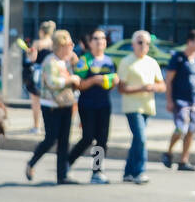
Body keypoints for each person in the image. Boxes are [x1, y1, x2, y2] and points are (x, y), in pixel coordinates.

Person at [25, 30, 81, 184]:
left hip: (66, 104)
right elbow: (52, 82)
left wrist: (75, 65)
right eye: (70, 44)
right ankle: (32, 162)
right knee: (51, 139)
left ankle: (62, 175)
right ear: (61, 45)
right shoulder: (50, 61)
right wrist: (71, 79)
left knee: (64, 141)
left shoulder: (66, 61)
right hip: (51, 106)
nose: (72, 46)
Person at [68, 28, 116, 184]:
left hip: (104, 105)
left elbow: (110, 84)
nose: (100, 41)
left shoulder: (109, 61)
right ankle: (67, 162)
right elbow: (78, 85)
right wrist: (94, 80)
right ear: (90, 42)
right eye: (96, 38)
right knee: (88, 137)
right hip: (87, 104)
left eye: (102, 38)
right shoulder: (84, 60)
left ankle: (97, 171)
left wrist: (113, 82)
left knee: (102, 139)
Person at [117, 29, 165, 184]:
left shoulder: (152, 62)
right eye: (140, 42)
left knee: (137, 140)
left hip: (147, 106)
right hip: (132, 107)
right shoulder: (126, 62)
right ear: (133, 44)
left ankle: (128, 172)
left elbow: (162, 85)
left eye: (147, 43)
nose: (144, 46)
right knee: (141, 138)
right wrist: (141, 88)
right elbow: (121, 88)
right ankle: (140, 171)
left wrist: (154, 87)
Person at [162, 30, 195, 171]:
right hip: (180, 101)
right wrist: (169, 100)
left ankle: (184, 161)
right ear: (190, 42)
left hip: (194, 102)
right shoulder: (178, 58)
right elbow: (168, 81)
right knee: (181, 128)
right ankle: (168, 152)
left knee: (191, 130)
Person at [24, 21, 56, 134]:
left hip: (38, 75)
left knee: (36, 102)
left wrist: (28, 52)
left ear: (41, 31)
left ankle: (36, 127)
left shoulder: (37, 43)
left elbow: (33, 58)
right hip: (50, 74)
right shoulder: (53, 43)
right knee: (50, 102)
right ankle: (50, 126)